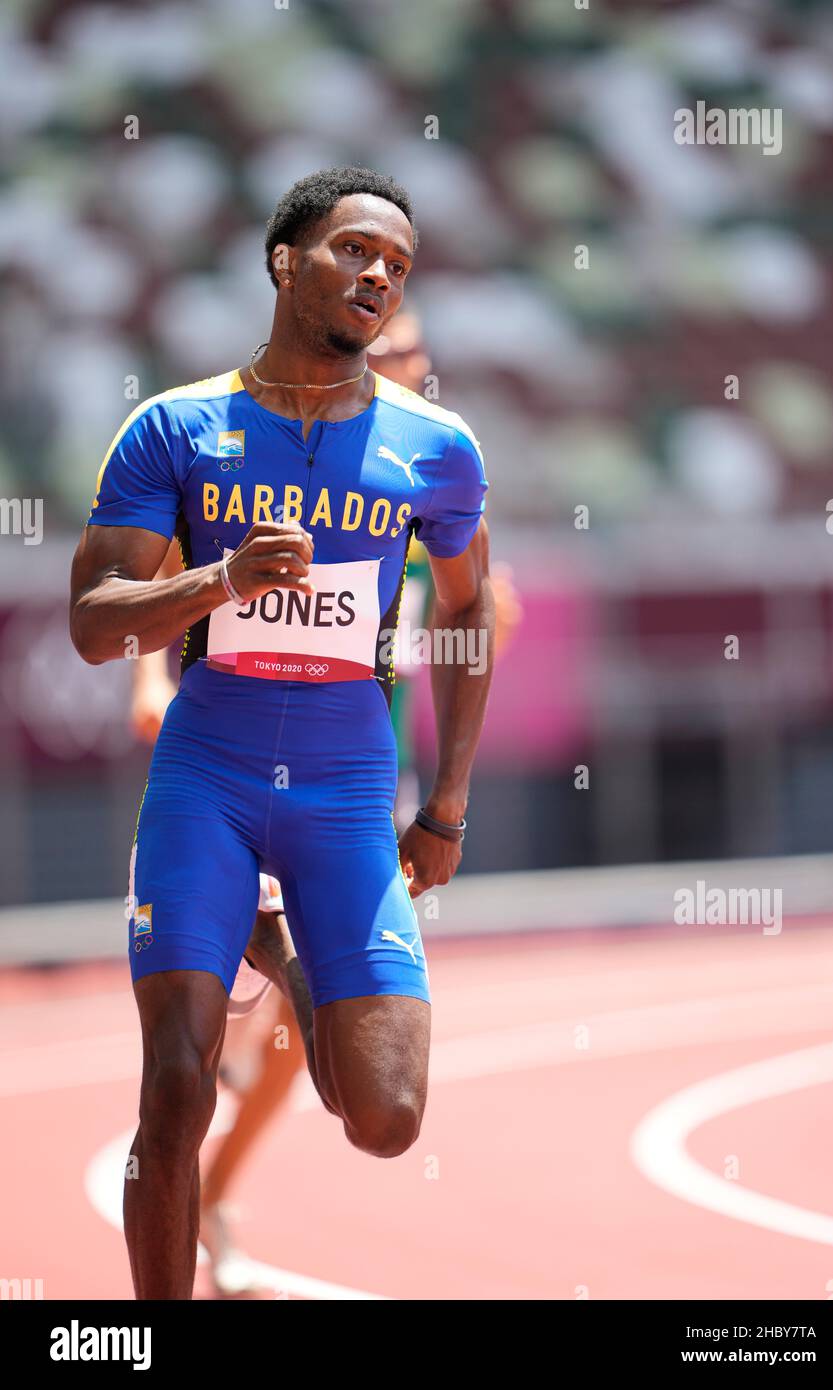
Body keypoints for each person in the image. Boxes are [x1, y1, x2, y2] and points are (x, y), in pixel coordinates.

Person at [69, 165, 495, 1300]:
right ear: (283, 262)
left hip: (348, 785)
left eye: (396, 266)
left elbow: (464, 607)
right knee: (176, 1088)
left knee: (387, 1118)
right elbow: (92, 623)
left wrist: (446, 798)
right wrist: (217, 578)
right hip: (206, 774)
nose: (377, 277)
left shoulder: (437, 448)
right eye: (355, 251)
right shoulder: (176, 427)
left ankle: (291, 954)